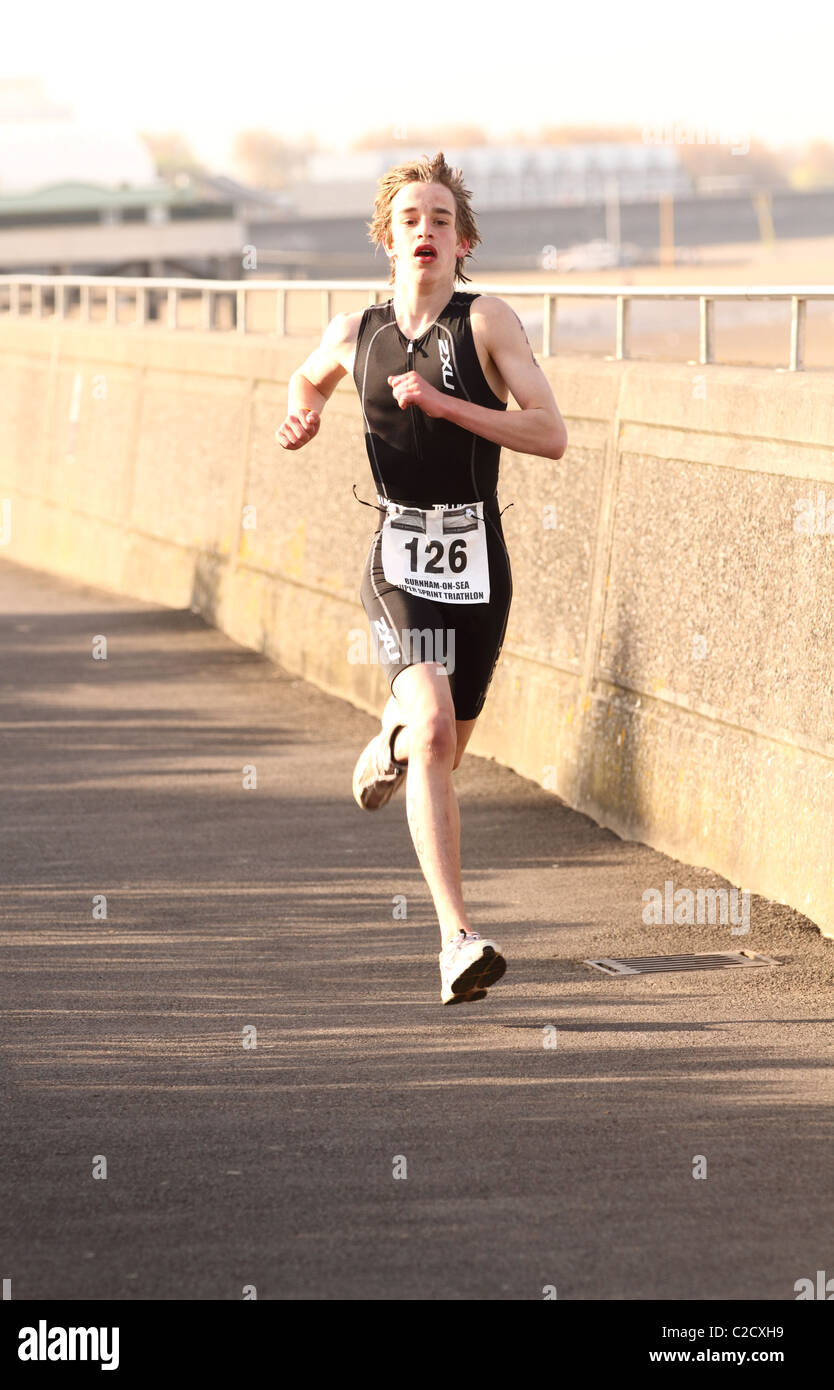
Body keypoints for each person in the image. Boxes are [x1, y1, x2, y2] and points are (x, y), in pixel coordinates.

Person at [275, 152, 567, 1004]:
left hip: (479, 561)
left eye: (441, 219)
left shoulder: (488, 325)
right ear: (386, 239)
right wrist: (307, 411)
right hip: (398, 556)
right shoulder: (354, 332)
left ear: (464, 241)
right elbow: (306, 376)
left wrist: (445, 405)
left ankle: (392, 739)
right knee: (438, 726)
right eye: (410, 219)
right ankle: (456, 940)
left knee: (444, 744)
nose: (426, 231)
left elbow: (549, 433)